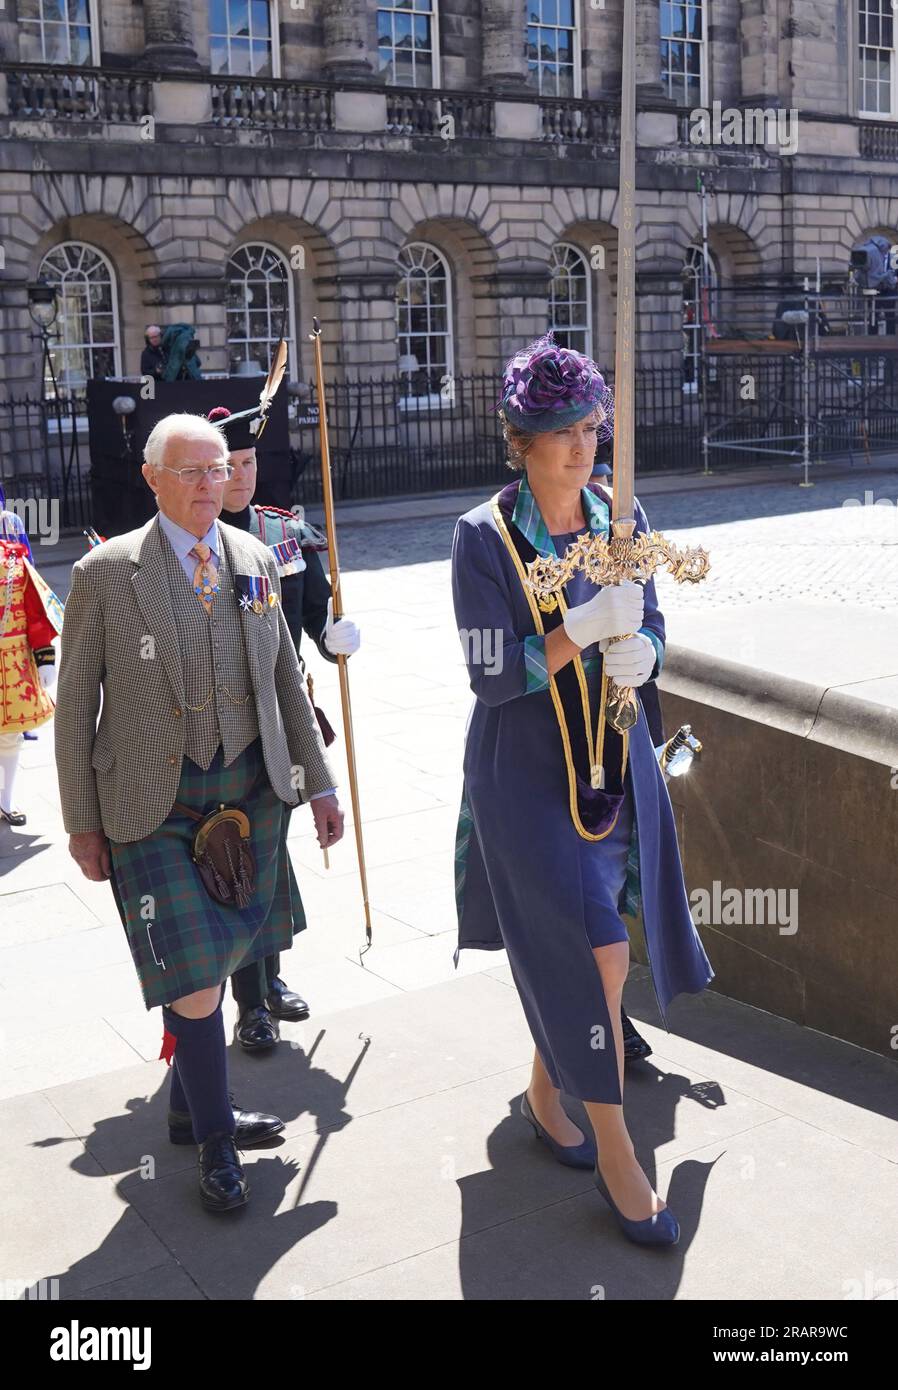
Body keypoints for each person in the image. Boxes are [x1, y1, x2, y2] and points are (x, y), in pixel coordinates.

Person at [451, 333, 713, 1246]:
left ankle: (542, 1092)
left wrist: (647, 648)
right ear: (520, 442)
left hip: (615, 754)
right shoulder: (481, 537)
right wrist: (576, 629)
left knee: (583, 948)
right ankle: (618, 1155)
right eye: (561, 432)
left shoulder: (618, 513)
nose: (583, 445)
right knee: (598, 956)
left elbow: (655, 619)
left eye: (591, 427)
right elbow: (490, 673)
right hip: (526, 773)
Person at [54, 413, 344, 1213]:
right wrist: (82, 820)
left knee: (215, 965)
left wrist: (319, 784)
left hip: (248, 788)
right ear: (152, 477)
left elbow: (286, 677)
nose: (210, 485)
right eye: (191, 472)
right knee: (196, 983)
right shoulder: (107, 573)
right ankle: (217, 1142)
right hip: (152, 799)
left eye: (218, 471)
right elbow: (76, 702)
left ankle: (189, 1107)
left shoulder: (253, 557)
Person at [207, 403, 361, 1052]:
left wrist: (334, 637)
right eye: (228, 466)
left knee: (269, 850)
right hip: (224, 726)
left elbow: (318, 611)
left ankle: (269, 980)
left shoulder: (284, 532)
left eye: (248, 463)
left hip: (288, 716)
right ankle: (251, 1007)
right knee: (239, 856)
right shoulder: (196, 539)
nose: (241, 476)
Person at [0, 500, 63, 824]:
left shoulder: (14, 560)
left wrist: (45, 659)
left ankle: (6, 800)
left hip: (12, 662)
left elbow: (36, 615)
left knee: (9, 737)